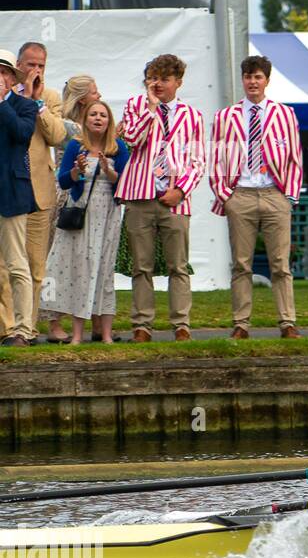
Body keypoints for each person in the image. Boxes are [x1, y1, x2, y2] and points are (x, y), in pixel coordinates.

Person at [209, 55, 304, 340]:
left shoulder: (284, 114)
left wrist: (289, 194)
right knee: (241, 263)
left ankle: (287, 321)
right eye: (248, 76)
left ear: (267, 80)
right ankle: (241, 323)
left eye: (258, 77)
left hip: (274, 192)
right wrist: (225, 194)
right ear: (243, 80)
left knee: (280, 263)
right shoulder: (226, 116)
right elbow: (216, 157)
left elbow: (295, 156)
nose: (253, 82)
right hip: (242, 193)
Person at [117, 53, 206, 343]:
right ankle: (142, 325)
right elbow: (131, 140)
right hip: (140, 195)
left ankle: (181, 324)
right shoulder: (135, 106)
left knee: (177, 265)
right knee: (141, 265)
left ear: (178, 82)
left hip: (176, 199)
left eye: (164, 79)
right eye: (152, 78)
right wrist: (151, 110)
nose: (157, 84)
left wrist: (180, 190)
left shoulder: (193, 116)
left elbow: (198, 161)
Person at [40, 101, 129, 344]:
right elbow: (65, 181)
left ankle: (107, 334)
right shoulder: (75, 146)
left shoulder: (118, 147)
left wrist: (107, 170)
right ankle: (75, 333)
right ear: (86, 119)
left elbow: (124, 182)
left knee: (104, 270)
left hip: (108, 214)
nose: (98, 118)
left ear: (108, 120)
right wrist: (77, 171)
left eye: (103, 115)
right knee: (78, 268)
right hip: (81, 213)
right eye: (93, 114)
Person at [7, 42, 66, 345]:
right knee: (6, 263)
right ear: (18, 65)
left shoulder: (51, 97)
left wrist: (38, 102)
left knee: (34, 265)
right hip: (9, 188)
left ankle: (27, 329)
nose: (36, 71)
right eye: (30, 65)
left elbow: (57, 136)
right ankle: (7, 327)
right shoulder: (6, 97)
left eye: (41, 65)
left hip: (40, 191)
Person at [45, 74, 104, 343]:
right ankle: (54, 322)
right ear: (83, 100)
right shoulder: (69, 128)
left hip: (93, 199)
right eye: (94, 92)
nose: (100, 96)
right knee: (58, 262)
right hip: (68, 198)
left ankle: (93, 319)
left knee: (91, 261)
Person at [0, 49, 39, 346]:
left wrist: (2, 103)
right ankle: (4, 327)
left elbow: (22, 134)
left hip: (12, 194)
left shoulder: (24, 106)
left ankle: (24, 330)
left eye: (3, 73)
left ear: (13, 78)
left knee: (17, 265)